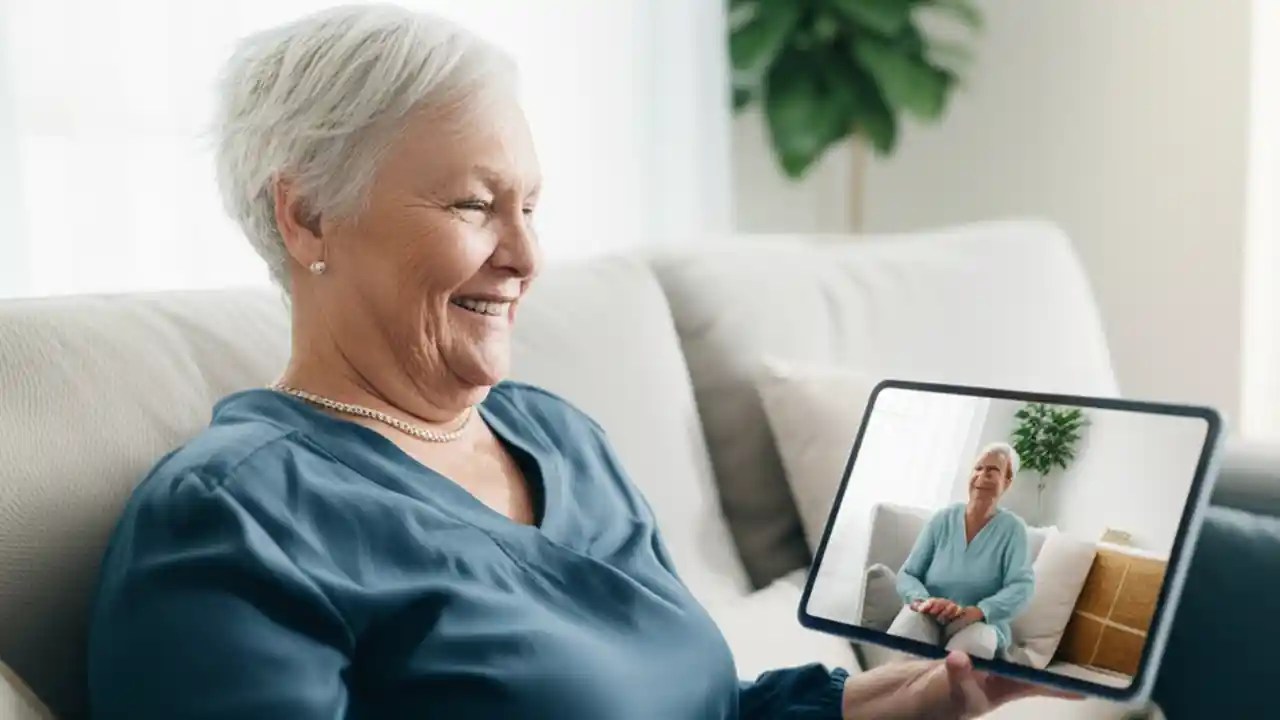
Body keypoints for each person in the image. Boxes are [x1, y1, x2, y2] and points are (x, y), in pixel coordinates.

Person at [86, 5, 1067, 718]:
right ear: (307, 215)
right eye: (474, 205)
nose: (525, 256)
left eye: (531, 206)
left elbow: (695, 706)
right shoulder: (235, 519)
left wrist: (880, 705)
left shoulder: (561, 438)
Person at [886, 442, 1036, 660]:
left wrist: (979, 611)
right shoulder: (942, 519)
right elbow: (908, 574)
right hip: (929, 614)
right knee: (905, 636)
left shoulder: (1013, 530)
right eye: (978, 468)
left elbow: (1022, 587)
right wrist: (923, 601)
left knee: (970, 651)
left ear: (1007, 481)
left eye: (992, 471)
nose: (982, 475)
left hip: (979, 624)